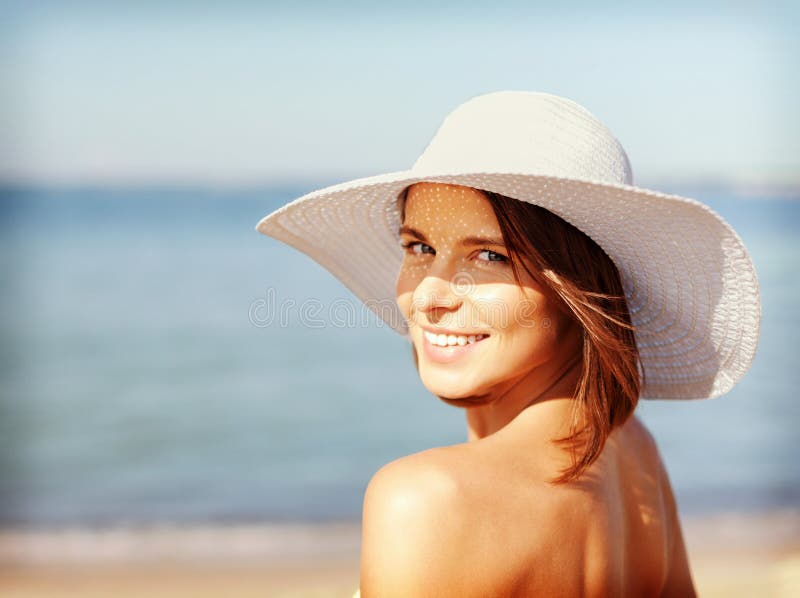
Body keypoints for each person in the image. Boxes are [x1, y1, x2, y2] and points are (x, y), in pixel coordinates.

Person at [255, 91, 761, 597]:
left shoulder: (427, 500)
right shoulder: (631, 449)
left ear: (574, 289)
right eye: (420, 247)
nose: (429, 295)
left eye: (490, 256)